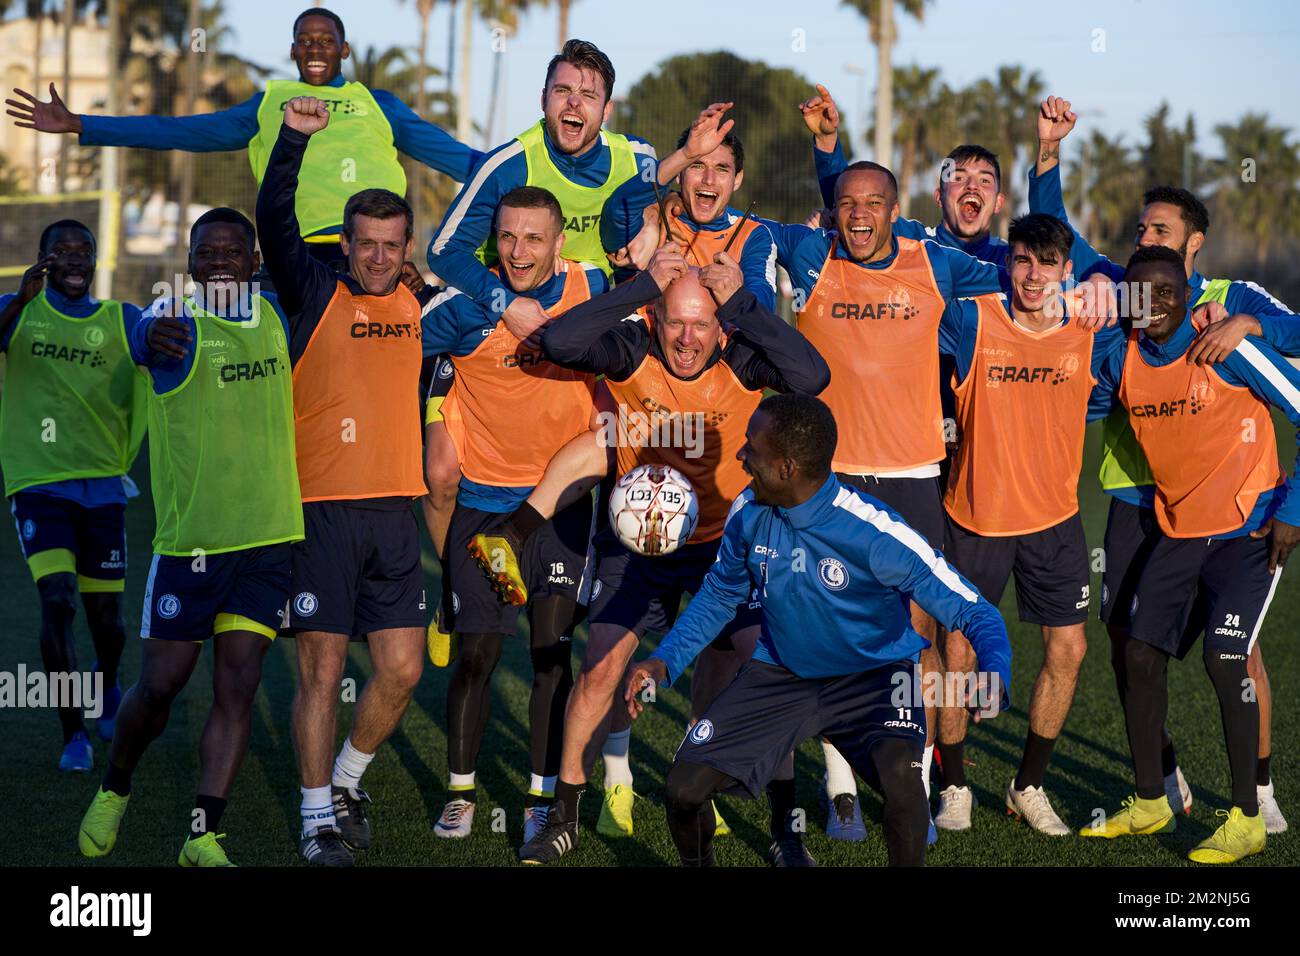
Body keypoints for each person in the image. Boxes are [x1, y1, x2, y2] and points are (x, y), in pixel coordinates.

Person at [1031, 95, 1296, 832]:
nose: (1143, 236)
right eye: (1142, 227)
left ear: (1194, 246)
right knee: (1130, 644)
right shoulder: (1130, 292)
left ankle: (1260, 791)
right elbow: (1061, 240)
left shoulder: (1228, 301)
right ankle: (1162, 781)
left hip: (1229, 500)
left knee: (1233, 647)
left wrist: (1252, 324)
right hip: (1136, 494)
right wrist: (1048, 156)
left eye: (1159, 229)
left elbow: (1294, 331)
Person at [516, 244, 830, 865]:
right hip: (641, 547)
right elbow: (559, 343)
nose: (687, 338)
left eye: (702, 323)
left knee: (771, 670)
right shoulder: (634, 350)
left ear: (722, 327)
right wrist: (638, 290)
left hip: (728, 551)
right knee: (601, 669)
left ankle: (782, 829)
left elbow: (812, 378)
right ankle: (565, 812)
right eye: (676, 322)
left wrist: (743, 302)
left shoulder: (743, 359)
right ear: (658, 320)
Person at [623, 393, 1012, 867]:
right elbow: (721, 595)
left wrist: (994, 672)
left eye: (752, 449)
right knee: (683, 790)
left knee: (904, 786)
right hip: (780, 674)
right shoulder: (748, 511)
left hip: (875, 678)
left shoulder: (875, 533)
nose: (741, 457)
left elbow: (976, 610)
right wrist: (663, 660)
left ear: (787, 468)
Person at [76, 208, 303, 867]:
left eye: (235, 251)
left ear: (255, 263)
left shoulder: (276, 318)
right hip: (190, 546)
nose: (222, 260)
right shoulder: (177, 325)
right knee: (162, 686)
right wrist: (149, 336)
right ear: (192, 262)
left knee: (238, 683)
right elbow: (150, 337)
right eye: (208, 251)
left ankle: (202, 834)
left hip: (266, 538)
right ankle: (116, 784)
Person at [257, 96, 430, 867]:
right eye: (366, 244)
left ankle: (350, 779)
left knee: (402, 669)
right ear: (347, 244)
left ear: (406, 246)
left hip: (395, 510)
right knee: (323, 671)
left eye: (392, 245)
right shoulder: (314, 291)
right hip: (322, 511)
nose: (379, 257)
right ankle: (314, 818)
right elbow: (273, 219)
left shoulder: (419, 304)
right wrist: (293, 140)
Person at [1083, 246, 1300, 863]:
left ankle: (1247, 817)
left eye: (1168, 294)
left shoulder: (1226, 347)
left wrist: (1293, 512)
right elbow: (1070, 398)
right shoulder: (1118, 357)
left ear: (1189, 297)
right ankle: (1152, 800)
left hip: (1250, 529)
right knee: (1140, 654)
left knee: (1225, 656)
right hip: (1179, 530)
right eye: (1139, 294)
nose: (1154, 306)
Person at [419, 185, 606, 844]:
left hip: (560, 510)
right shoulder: (465, 307)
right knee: (478, 655)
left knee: (551, 655)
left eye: (533, 237)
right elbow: (387, 352)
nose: (518, 251)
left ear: (560, 241)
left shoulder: (594, 288)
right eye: (506, 237)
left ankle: (541, 798)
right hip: (488, 513)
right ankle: (462, 791)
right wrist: (433, 411)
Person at [7, 7, 479, 262]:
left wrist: (537, 162)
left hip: (373, 254)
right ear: (293, 50)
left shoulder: (381, 105)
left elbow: (463, 161)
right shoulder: (267, 102)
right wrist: (83, 124)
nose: (316, 48)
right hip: (299, 251)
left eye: (326, 41)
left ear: (344, 50)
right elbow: (176, 130)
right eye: (306, 41)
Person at [934, 214, 1123, 833]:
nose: (1033, 274)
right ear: (1006, 263)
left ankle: (1028, 784)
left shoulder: (1089, 332)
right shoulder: (971, 319)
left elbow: (1161, 306)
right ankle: (955, 782)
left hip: (1055, 522)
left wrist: (1107, 290)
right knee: (957, 652)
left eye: (1047, 262)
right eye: (1022, 260)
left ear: (1068, 269)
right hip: (974, 517)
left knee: (1069, 648)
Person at [0, 221, 145, 770]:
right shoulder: (18, 310)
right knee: (56, 600)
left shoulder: (121, 318)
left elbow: (161, 350)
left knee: (107, 619)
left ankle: (105, 686)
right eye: (61, 251)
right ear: (42, 260)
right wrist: (18, 299)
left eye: (83, 249)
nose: (74, 258)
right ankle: (73, 735)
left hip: (104, 485)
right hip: (38, 483)